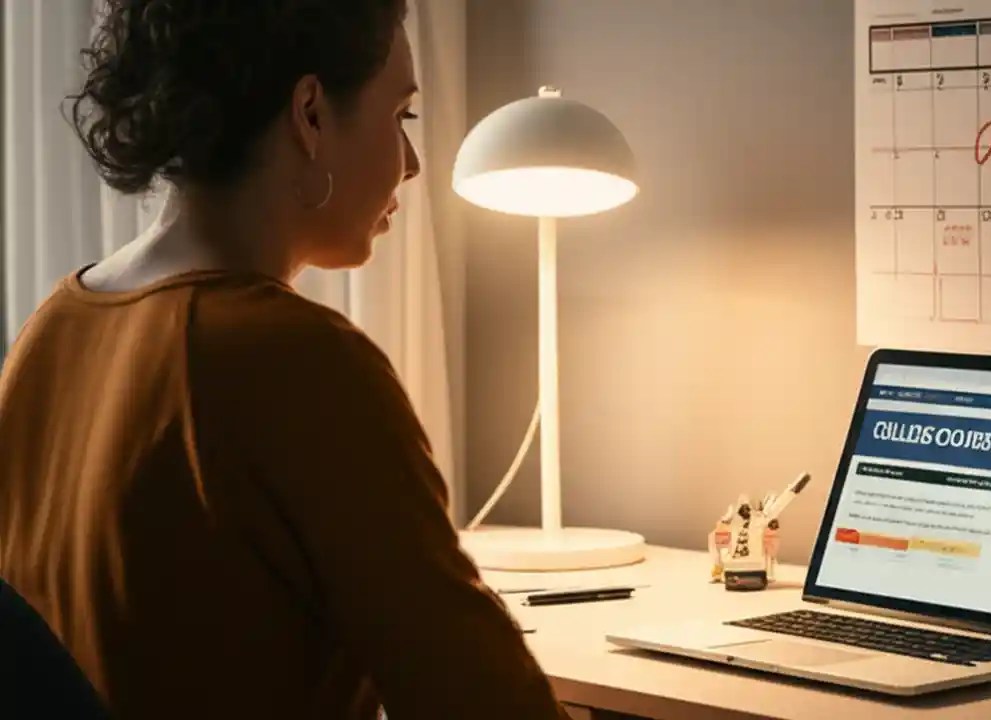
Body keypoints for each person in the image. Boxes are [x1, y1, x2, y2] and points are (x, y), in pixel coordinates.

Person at [0, 2, 569, 718]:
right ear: (310, 114)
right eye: (402, 118)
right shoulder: (299, 361)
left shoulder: (52, 328)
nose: (414, 165)